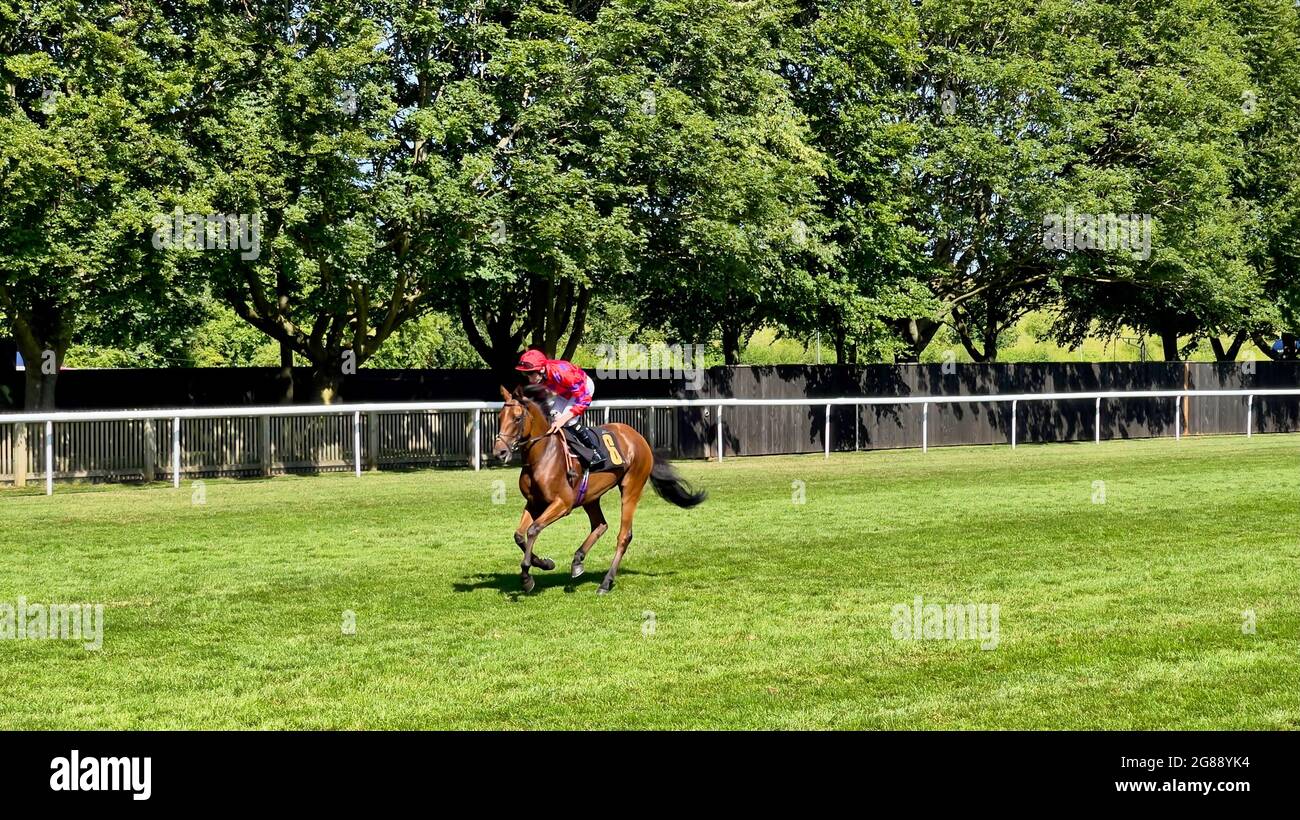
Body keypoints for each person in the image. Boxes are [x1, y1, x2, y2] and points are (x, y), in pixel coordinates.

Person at [515, 349, 606, 470]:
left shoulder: (562, 374)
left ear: (542, 369)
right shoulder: (542, 374)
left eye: (531, 373)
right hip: (565, 392)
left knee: (568, 421)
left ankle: (596, 452)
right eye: (525, 374)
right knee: (553, 416)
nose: (529, 378)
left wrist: (563, 419)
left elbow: (583, 399)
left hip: (583, 389)